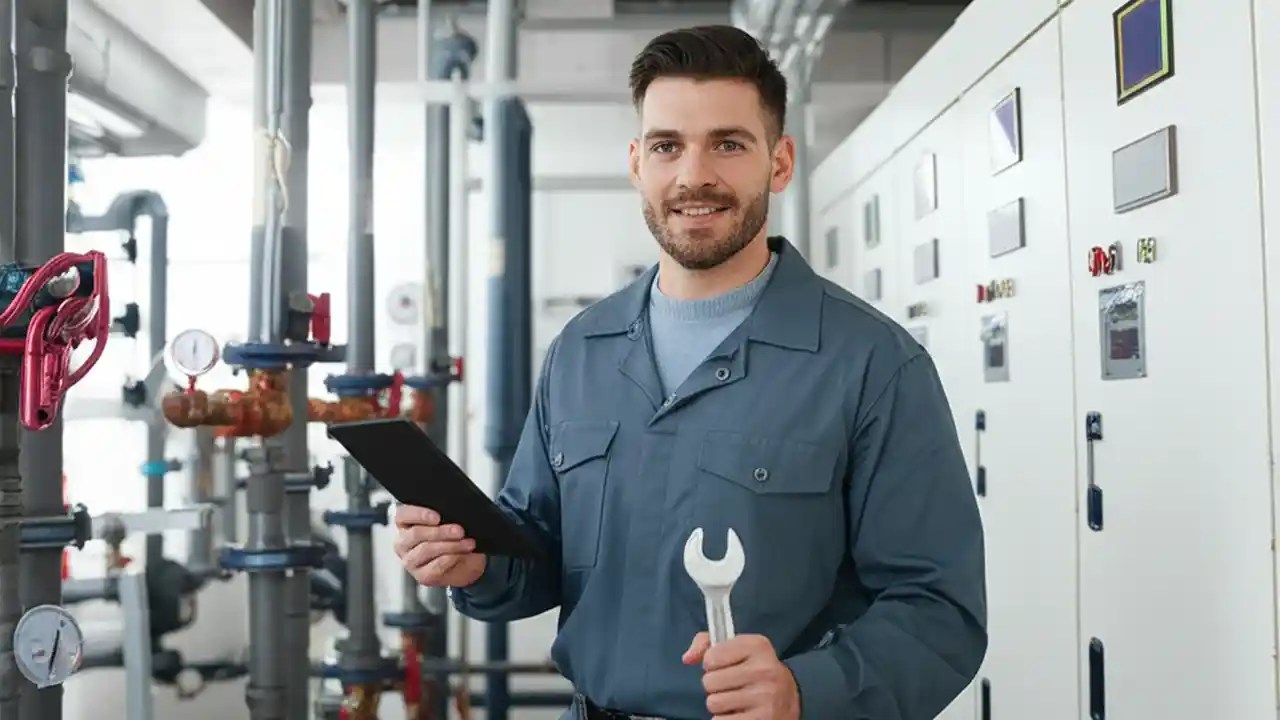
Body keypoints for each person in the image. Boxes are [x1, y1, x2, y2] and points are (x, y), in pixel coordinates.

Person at [394, 24, 987, 720]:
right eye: (668, 145)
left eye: (729, 144)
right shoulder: (580, 350)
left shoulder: (873, 364)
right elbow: (539, 551)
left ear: (781, 162)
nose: (693, 175)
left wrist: (805, 690)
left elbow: (940, 612)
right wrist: (476, 564)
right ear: (637, 162)